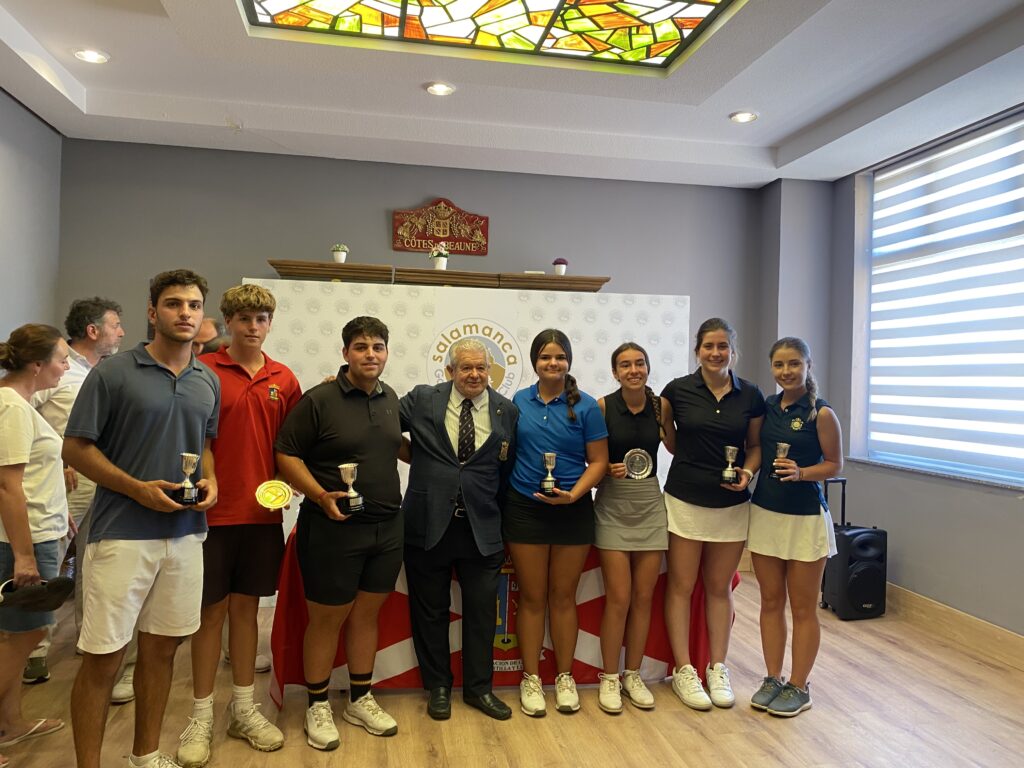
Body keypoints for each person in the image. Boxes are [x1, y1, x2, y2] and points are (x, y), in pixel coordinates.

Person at [64, 269, 220, 768]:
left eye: (194, 305)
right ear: (153, 313)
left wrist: (211, 482)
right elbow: (76, 447)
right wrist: (136, 490)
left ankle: (145, 755)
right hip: (121, 536)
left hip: (186, 535)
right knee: (104, 659)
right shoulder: (113, 373)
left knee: (162, 653)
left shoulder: (206, 380)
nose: (185, 313)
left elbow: (206, 446)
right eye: (174, 304)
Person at [176, 285, 301, 767]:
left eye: (262, 317)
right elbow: (197, 440)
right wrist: (207, 482)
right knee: (209, 615)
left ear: (271, 323)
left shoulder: (283, 378)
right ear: (228, 322)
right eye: (245, 317)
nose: (253, 326)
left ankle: (243, 709)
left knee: (248, 613)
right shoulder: (203, 370)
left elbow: (289, 447)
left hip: (262, 516)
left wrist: (288, 484)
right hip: (209, 515)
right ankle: (202, 714)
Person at [274, 316, 403, 751]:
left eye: (378, 347)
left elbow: (397, 447)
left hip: (387, 527)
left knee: (367, 615)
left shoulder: (391, 399)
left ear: (386, 353)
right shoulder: (319, 399)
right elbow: (285, 454)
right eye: (362, 347)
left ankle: (360, 698)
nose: (371, 354)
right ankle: (317, 703)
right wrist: (317, 495)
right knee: (327, 619)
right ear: (345, 352)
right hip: (333, 529)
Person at [399, 338, 519, 722]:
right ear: (450, 371)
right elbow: (378, 418)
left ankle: (479, 690)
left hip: (482, 528)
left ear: (490, 371)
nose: (474, 375)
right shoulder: (422, 399)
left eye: (481, 368)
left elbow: (506, 470)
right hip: (427, 523)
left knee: (483, 614)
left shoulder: (507, 411)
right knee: (430, 612)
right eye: (466, 368)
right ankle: (438, 688)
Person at [503, 329, 608, 717]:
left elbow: (598, 461)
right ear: (535, 363)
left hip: (572, 509)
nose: (553, 364)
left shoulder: (586, 407)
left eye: (560, 357)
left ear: (569, 362)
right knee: (532, 597)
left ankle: (564, 677)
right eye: (546, 357)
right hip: (524, 509)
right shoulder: (518, 401)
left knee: (563, 597)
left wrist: (574, 495)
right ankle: (530, 678)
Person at [661, 317, 764, 711]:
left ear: (733, 351)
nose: (716, 353)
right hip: (685, 501)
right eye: (709, 346)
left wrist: (748, 472)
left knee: (719, 588)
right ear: (697, 350)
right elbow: (668, 438)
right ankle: (684, 670)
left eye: (723, 346)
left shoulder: (751, 395)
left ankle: (717, 667)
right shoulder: (677, 390)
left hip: (732, 505)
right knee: (681, 586)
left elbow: (754, 446)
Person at [25, 297, 126, 689]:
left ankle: (90, 638)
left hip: (97, 478)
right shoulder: (59, 371)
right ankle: (33, 649)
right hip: (63, 483)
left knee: (91, 559)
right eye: (115, 325)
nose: (120, 332)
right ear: (93, 331)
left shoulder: (98, 374)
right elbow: (20, 406)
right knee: (48, 557)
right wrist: (60, 453)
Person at [748, 337, 842, 717]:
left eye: (794, 364)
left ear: (807, 365)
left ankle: (799, 685)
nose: (786, 372)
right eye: (779, 365)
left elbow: (835, 464)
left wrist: (803, 473)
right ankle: (773, 678)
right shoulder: (767, 407)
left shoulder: (821, 413)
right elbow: (754, 450)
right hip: (766, 514)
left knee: (803, 608)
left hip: (805, 519)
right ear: (771, 368)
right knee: (770, 602)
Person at [0, 324, 70, 765]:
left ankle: (11, 723)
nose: (66, 366)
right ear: (38, 364)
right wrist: (24, 555)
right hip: (25, 540)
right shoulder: (11, 407)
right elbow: (8, 486)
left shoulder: (20, 404)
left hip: (41, 530)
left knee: (20, 633)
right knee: (21, 637)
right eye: (62, 358)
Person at [594, 342, 675, 714]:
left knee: (644, 598)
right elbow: (589, 458)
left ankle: (633, 674)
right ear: (615, 372)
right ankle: (609, 677)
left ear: (647, 367)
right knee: (620, 598)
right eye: (625, 365)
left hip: (649, 505)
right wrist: (605, 469)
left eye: (639, 363)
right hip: (612, 503)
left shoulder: (661, 406)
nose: (633, 370)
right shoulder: (603, 406)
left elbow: (676, 448)